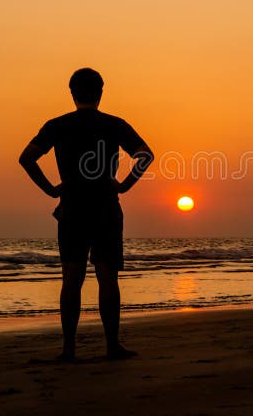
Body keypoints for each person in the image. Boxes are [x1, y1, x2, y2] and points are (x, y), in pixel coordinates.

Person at [19, 68, 153, 361]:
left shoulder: (57, 125)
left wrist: (51, 190)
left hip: (73, 207)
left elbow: (26, 158)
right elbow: (146, 155)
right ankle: (112, 345)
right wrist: (124, 185)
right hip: (105, 206)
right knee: (107, 276)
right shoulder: (114, 124)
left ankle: (68, 349)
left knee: (72, 277)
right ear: (101, 92)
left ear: (72, 92)